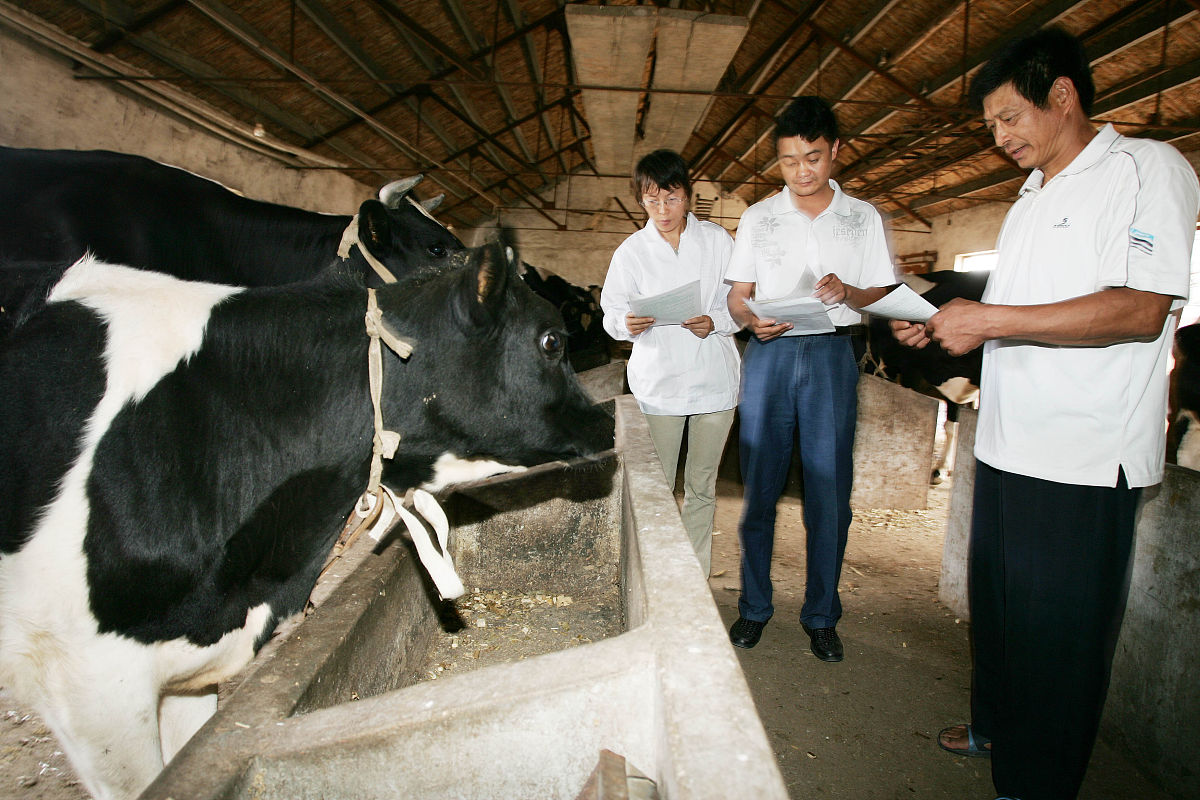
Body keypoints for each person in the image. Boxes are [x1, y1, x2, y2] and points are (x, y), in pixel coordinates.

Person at [891, 27, 1199, 800]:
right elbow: (1019, 311)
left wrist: (986, 321)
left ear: (1061, 95)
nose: (999, 139)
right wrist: (941, 324)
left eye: (1008, 119)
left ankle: (1036, 783)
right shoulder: (1031, 197)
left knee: (1061, 642)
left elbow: (1138, 309)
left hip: (1083, 457)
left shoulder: (1147, 169)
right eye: (991, 126)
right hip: (1005, 441)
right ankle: (994, 727)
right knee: (999, 617)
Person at [724, 96, 895, 660]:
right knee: (760, 492)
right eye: (790, 160)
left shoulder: (862, 217)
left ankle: (821, 615)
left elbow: (880, 291)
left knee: (829, 493)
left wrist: (850, 291)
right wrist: (751, 319)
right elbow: (736, 296)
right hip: (770, 355)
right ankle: (754, 607)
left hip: (830, 355)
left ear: (836, 152)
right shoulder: (758, 216)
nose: (802, 171)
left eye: (814, 158)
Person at [600, 148, 741, 577]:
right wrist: (627, 323)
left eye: (672, 198)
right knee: (657, 490)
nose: (663, 210)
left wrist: (715, 320)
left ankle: (693, 578)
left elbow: (742, 304)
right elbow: (609, 315)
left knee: (702, 487)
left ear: (688, 194)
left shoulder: (718, 241)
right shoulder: (631, 251)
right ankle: (655, 575)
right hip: (658, 386)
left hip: (713, 382)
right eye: (652, 200)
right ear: (641, 200)